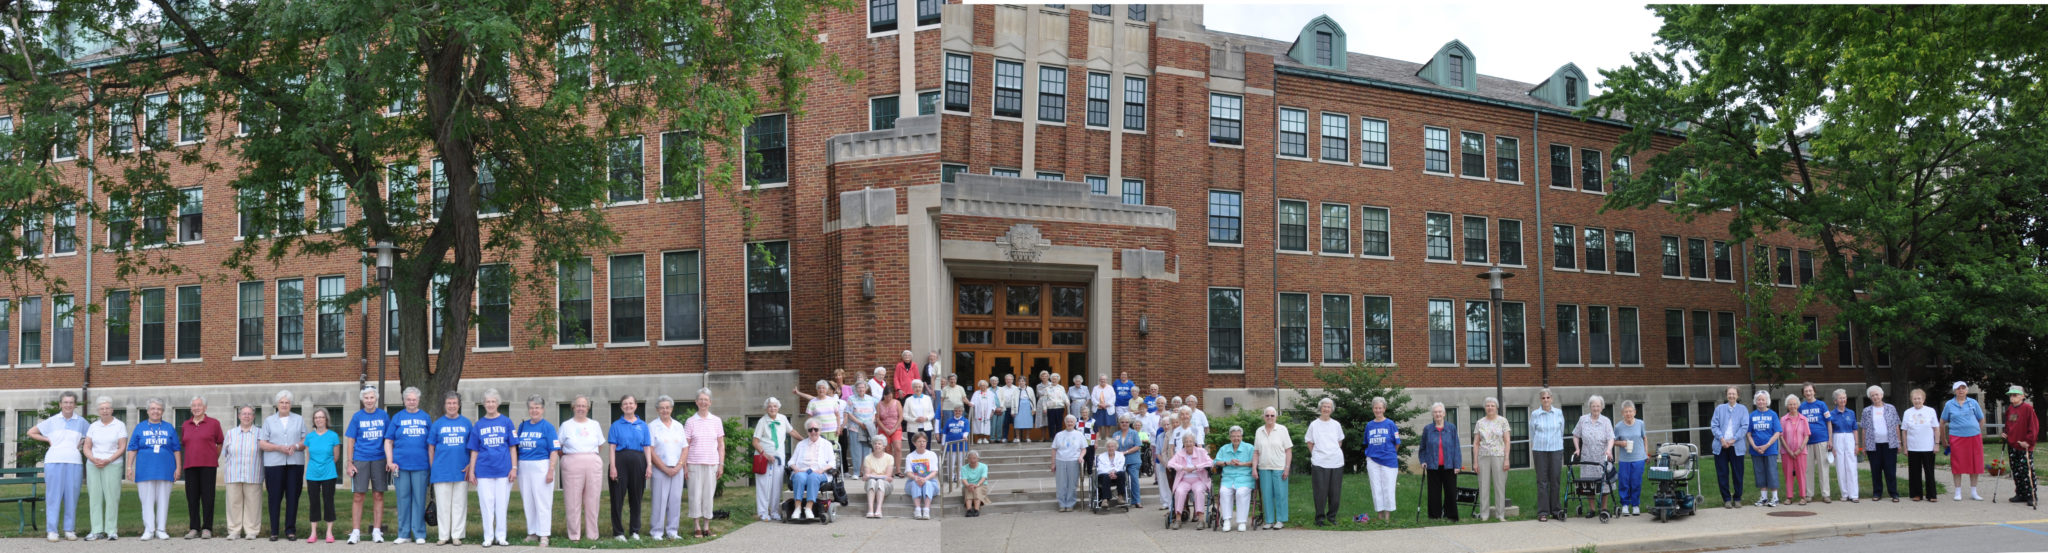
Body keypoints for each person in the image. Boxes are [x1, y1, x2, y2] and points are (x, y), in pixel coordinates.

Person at [26, 391, 87, 543]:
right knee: (53, 497)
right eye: (65, 402)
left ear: (75, 404)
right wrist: (47, 439)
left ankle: (69, 530)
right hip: (53, 461)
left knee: (71, 497)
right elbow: (31, 432)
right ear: (60, 404)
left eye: (71, 402)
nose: (68, 405)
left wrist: (82, 443)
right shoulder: (52, 421)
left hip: (74, 462)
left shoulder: (82, 422)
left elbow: (91, 436)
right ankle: (52, 531)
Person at [128, 398, 183, 541]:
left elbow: (177, 449)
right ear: (147, 411)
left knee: (163, 500)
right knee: (146, 500)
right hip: (145, 470)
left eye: (159, 409)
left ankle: (161, 529)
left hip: (165, 470)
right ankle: (149, 529)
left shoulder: (169, 427)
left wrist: (178, 467)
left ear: (163, 411)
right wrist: (129, 467)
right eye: (153, 408)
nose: (155, 411)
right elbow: (132, 449)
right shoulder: (140, 427)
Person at [386, 387, 434, 544]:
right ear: (404, 401)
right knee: (403, 499)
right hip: (401, 466)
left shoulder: (425, 418)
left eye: (414, 399)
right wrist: (390, 461)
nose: (411, 402)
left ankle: (419, 533)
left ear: (418, 400)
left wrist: (431, 464)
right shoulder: (397, 417)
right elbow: (388, 441)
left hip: (421, 465)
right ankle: (404, 534)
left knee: (420, 500)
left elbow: (431, 444)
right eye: (408, 399)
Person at [470, 389, 517, 547]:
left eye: (493, 401)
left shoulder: (506, 422)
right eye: (487, 402)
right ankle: (488, 536)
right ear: (484, 404)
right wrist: (471, 471)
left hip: (503, 470)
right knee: (486, 505)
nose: (490, 404)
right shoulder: (479, 425)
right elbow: (474, 450)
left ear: (498, 403)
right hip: (483, 470)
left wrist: (514, 468)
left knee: (502, 505)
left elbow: (512, 448)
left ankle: (501, 536)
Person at [342, 387, 389, 544]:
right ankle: (356, 532)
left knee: (378, 495)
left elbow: (389, 440)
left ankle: (377, 531)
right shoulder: (357, 417)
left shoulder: (383, 416)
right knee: (358, 495)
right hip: (360, 459)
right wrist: (349, 463)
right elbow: (350, 440)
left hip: (379, 459)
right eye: (366, 398)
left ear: (376, 398)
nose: (369, 400)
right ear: (363, 400)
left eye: (372, 397)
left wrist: (389, 459)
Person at [259, 390, 307, 541]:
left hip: (295, 463)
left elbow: (305, 440)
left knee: (293, 496)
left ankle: (290, 530)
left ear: (291, 405)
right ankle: (274, 531)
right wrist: (278, 448)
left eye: (287, 402)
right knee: (274, 497)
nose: (284, 405)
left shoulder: (299, 419)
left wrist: (296, 446)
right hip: (274, 464)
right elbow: (262, 443)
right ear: (277, 404)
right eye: (281, 402)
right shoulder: (268, 421)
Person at [558, 396, 606, 541]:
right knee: (573, 500)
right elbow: (559, 446)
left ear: (588, 408)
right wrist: (568, 459)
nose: (581, 408)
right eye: (578, 405)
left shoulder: (595, 424)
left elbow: (600, 445)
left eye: (583, 406)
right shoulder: (566, 425)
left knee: (593, 500)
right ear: (573, 408)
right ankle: (574, 535)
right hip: (572, 462)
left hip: (592, 462)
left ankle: (592, 535)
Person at [428, 391, 472, 546]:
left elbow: (472, 447)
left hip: (461, 470)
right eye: (449, 403)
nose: (452, 406)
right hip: (441, 470)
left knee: (459, 504)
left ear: (459, 405)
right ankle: (443, 535)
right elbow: (431, 447)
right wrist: (433, 466)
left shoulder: (466, 423)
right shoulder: (438, 424)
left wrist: (470, 465)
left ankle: (457, 535)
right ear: (445, 405)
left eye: (454, 403)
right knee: (443, 505)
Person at [82, 397, 128, 542]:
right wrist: (93, 458)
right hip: (93, 465)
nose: (105, 411)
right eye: (102, 408)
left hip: (112, 464)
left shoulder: (119, 425)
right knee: (95, 497)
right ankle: (96, 530)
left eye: (107, 408)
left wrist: (108, 459)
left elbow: (122, 447)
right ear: (98, 411)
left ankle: (111, 531)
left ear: (112, 410)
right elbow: (86, 446)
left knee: (112, 497)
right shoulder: (93, 426)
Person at [516, 395, 560, 546]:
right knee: (528, 501)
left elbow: (554, 451)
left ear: (543, 409)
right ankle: (532, 532)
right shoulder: (523, 426)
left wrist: (551, 470)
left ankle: (544, 534)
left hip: (541, 465)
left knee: (543, 502)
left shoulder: (548, 427)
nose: (534, 410)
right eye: (531, 408)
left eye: (537, 407)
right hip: (524, 466)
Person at [607, 395, 652, 540]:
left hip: (638, 462)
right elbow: (612, 448)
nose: (628, 406)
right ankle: (618, 532)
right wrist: (613, 466)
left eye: (631, 403)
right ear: (621, 407)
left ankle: (635, 531)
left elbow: (647, 447)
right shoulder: (616, 425)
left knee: (636, 498)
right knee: (617, 498)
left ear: (636, 405)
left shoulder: (643, 425)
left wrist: (649, 465)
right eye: (625, 404)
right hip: (619, 461)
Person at [179, 396, 223, 540]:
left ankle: (207, 528)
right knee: (192, 498)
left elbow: (220, 443)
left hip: (208, 466)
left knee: (208, 498)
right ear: (191, 408)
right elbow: (185, 444)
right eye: (194, 406)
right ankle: (194, 528)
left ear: (205, 408)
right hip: (190, 466)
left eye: (199, 405)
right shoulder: (186, 424)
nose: (196, 408)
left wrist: (213, 457)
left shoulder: (214, 423)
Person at [646, 395, 689, 541]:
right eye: (662, 408)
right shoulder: (652, 426)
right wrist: (664, 468)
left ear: (672, 409)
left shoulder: (678, 425)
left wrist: (679, 466)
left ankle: (672, 531)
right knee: (659, 501)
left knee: (675, 501)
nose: (665, 410)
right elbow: (650, 449)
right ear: (657, 410)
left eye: (667, 407)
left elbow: (685, 448)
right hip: (660, 469)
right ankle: (656, 532)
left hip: (677, 469)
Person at [684, 389, 725, 538]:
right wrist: (684, 466)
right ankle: (697, 527)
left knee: (708, 495)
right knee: (695, 495)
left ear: (710, 402)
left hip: (712, 463)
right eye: (700, 399)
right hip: (693, 463)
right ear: (696, 402)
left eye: (705, 399)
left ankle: (706, 527)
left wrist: (721, 464)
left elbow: (721, 445)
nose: (703, 402)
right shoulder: (690, 421)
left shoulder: (716, 421)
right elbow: (685, 446)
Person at [222, 406, 265, 540]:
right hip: (233, 473)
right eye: (244, 414)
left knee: (253, 504)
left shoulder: (260, 433)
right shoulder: (231, 433)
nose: (246, 416)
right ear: (239, 416)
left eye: (249, 414)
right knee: (233, 503)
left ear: (253, 417)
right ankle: (234, 530)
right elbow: (225, 453)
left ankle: (251, 531)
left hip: (253, 473)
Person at [1941, 381, 1987, 501]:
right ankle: (1958, 491)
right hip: (1957, 437)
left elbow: (1981, 419)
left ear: (1966, 390)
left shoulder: (1973, 402)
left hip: (1974, 437)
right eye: (1958, 388)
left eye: (1963, 388)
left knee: (1975, 463)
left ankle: (1973, 491)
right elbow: (1942, 422)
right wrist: (1944, 440)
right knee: (1957, 464)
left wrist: (1976, 429)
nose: (1961, 390)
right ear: (1954, 391)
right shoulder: (1949, 404)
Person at [1572, 396, 1614, 519]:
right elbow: (1575, 435)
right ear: (1590, 407)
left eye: (1598, 406)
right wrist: (1577, 448)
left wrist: (1609, 449)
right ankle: (1591, 509)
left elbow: (1611, 438)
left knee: (1604, 483)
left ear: (1601, 407)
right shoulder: (1583, 419)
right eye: (1593, 406)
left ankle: (1604, 508)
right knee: (1588, 484)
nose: (1595, 408)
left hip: (1602, 456)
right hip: (1587, 456)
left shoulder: (1606, 421)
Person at [1305, 398, 1344, 526]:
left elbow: (1339, 441)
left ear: (1331, 409)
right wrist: (1316, 454)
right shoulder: (1314, 425)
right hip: (1319, 462)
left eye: (1329, 407)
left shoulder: (1336, 424)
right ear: (1320, 408)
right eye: (1324, 406)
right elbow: (1309, 442)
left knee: (1335, 492)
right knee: (1320, 492)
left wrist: (1332, 451)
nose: (1326, 409)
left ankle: (1332, 517)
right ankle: (1320, 518)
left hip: (1336, 462)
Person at [304, 409, 341, 543]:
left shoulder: (333, 436)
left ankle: (329, 533)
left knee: (328, 501)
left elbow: (336, 457)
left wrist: (325, 465)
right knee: (314, 502)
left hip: (329, 473)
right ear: (314, 420)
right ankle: (313, 532)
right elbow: (309, 456)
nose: (319, 420)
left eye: (321, 417)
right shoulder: (309, 437)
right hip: (312, 474)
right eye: (316, 417)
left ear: (326, 419)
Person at [1709, 386, 1749, 509]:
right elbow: (1714, 425)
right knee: (1722, 473)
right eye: (1729, 393)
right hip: (1720, 446)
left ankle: (1737, 498)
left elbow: (1744, 426)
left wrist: (1733, 440)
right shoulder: (1719, 409)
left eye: (1734, 394)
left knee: (1738, 473)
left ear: (1738, 395)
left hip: (1736, 446)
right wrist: (1721, 439)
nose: (1731, 396)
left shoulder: (1743, 409)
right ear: (1726, 395)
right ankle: (1726, 499)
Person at [1421, 402, 1463, 522]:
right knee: (1434, 493)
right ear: (1432, 414)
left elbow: (1456, 448)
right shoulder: (1428, 429)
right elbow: (1422, 448)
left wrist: (1457, 465)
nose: (1438, 414)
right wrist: (1423, 460)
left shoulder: (1451, 428)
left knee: (1450, 491)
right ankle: (1434, 516)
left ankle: (1451, 516)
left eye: (1440, 412)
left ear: (1444, 413)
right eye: (1435, 412)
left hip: (1449, 466)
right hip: (1433, 466)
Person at [752, 397, 792, 522]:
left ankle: (774, 511)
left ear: (778, 407)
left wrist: (804, 440)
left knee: (777, 486)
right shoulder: (762, 421)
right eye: (770, 406)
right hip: (764, 458)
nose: (772, 408)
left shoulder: (783, 418)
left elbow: (792, 431)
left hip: (779, 458)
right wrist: (765, 454)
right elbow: (755, 441)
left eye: (774, 406)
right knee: (764, 486)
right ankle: (763, 512)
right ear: (766, 408)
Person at [1861, 385, 1903, 502]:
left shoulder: (1891, 408)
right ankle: (1877, 493)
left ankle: (1894, 493)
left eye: (1877, 394)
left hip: (1890, 444)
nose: (1875, 397)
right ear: (1870, 397)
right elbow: (1864, 429)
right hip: (1873, 445)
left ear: (1882, 395)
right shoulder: (1867, 411)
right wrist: (1864, 446)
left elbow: (1896, 426)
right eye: (1872, 395)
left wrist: (1899, 442)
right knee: (1876, 470)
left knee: (1890, 470)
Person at [1253, 407, 1292, 529]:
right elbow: (1256, 452)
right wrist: (1254, 468)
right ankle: (1269, 520)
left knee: (1280, 494)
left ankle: (1280, 520)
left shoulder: (1282, 430)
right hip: (1264, 467)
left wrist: (1287, 468)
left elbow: (1288, 450)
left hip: (1279, 467)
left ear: (1276, 417)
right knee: (1266, 494)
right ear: (1264, 417)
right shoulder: (1259, 431)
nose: (1269, 417)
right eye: (1267, 415)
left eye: (1272, 415)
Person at [1363, 397, 1401, 523]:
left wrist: (1390, 454)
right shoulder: (1369, 425)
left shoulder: (1390, 424)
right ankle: (1379, 515)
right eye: (1375, 408)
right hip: (1373, 460)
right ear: (1373, 409)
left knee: (1388, 487)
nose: (1378, 410)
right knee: (1376, 487)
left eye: (1380, 408)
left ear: (1384, 409)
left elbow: (1397, 443)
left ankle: (1387, 517)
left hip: (1389, 461)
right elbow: (1367, 442)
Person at [1531, 388, 1567, 520]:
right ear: (1540, 400)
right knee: (1542, 481)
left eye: (1548, 397)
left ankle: (1556, 510)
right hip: (1539, 450)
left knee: (1555, 480)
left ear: (1552, 399)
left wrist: (1556, 443)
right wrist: (1536, 445)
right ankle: (1543, 512)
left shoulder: (1558, 413)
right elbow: (1532, 432)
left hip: (1556, 449)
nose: (1545, 400)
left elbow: (1561, 431)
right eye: (1543, 398)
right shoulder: (1535, 414)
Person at [789, 420, 836, 521]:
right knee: (798, 477)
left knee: (813, 477)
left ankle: (808, 508)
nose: (813, 432)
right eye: (810, 430)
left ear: (820, 430)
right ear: (807, 431)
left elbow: (832, 462)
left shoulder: (826, 444)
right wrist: (795, 468)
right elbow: (791, 461)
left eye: (816, 429)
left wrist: (821, 470)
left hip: (819, 472)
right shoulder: (801, 444)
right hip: (802, 471)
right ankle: (797, 508)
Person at [1901, 389, 1940, 502]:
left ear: (1923, 399)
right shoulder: (1907, 412)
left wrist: (1936, 444)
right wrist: (1905, 447)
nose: (1917, 400)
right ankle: (1916, 494)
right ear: (1911, 400)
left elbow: (1936, 429)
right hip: (1913, 447)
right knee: (1914, 473)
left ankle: (1931, 495)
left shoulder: (1930, 411)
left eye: (1919, 398)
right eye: (1915, 398)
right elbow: (1904, 431)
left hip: (1928, 447)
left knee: (1929, 471)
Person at [1796, 383, 1833, 503]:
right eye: (1806, 391)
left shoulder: (1822, 405)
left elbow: (1828, 422)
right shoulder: (1801, 407)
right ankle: (1809, 494)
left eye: (1810, 390)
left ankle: (1826, 494)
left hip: (1822, 440)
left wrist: (1830, 439)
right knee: (1808, 469)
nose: (1808, 393)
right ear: (1803, 393)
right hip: (1807, 442)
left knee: (1823, 468)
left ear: (1814, 392)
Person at [1167, 436, 1214, 529]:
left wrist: (1196, 467)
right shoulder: (1180, 453)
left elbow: (1211, 462)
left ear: (1194, 443)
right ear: (1183, 443)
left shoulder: (1201, 452)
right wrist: (1182, 468)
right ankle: (1178, 519)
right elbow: (1170, 464)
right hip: (1184, 479)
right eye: (1186, 442)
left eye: (1190, 441)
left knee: (1199, 490)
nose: (1188, 444)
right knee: (1179, 491)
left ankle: (1201, 520)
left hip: (1199, 479)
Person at [1823, 389, 1861, 503]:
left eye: (1844, 398)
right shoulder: (1831, 414)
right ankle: (1844, 493)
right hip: (1837, 438)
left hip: (1849, 438)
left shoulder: (1851, 413)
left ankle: (1854, 494)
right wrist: (1832, 446)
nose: (1843, 400)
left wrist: (1857, 444)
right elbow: (1830, 430)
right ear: (1835, 401)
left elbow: (1855, 429)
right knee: (1840, 466)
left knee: (1851, 466)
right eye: (1840, 398)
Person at [1216, 426, 1255, 532]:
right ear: (1230, 437)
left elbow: (1254, 462)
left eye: (1238, 436)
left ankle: (1242, 522)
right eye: (1233, 436)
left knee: (1241, 493)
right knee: (1224, 492)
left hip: (1244, 478)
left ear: (1241, 437)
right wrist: (1227, 462)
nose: (1236, 438)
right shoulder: (1224, 448)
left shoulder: (1249, 448)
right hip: (1228, 478)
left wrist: (1241, 464)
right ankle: (1227, 520)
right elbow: (1216, 461)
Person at [1747, 390, 1783, 508]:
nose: (1761, 401)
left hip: (1770, 449)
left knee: (1771, 472)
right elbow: (1749, 434)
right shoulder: (1752, 415)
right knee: (1760, 472)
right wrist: (1754, 446)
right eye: (1758, 399)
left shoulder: (1773, 414)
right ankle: (1763, 498)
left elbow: (1777, 432)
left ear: (1767, 401)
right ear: (1755, 401)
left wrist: (1766, 445)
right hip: (1756, 450)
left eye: (1763, 399)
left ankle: (1775, 498)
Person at [2003, 386, 2037, 505]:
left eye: (2015, 395)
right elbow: (2008, 424)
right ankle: (2020, 493)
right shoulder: (2010, 409)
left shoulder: (2028, 408)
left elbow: (2033, 427)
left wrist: (2028, 441)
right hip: (2012, 444)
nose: (2012, 397)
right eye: (2011, 395)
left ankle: (2030, 495)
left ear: (2022, 396)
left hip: (2024, 445)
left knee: (2026, 471)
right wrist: (2005, 433)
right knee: (2016, 470)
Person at [1613, 400, 1646, 517]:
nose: (1628, 414)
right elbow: (1612, 441)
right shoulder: (1618, 426)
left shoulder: (1640, 423)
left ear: (1635, 412)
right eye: (1626, 411)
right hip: (1624, 459)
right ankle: (1625, 505)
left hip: (1639, 458)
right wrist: (1621, 443)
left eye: (1630, 411)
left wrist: (1645, 454)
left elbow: (1644, 438)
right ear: (1622, 413)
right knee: (1624, 482)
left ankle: (1636, 505)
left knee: (1636, 482)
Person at [1779, 396, 1811, 506]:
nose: (1792, 406)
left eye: (1794, 404)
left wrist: (1800, 449)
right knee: (1788, 474)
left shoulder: (1803, 419)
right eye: (1790, 404)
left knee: (1801, 474)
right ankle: (1789, 497)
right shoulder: (1783, 419)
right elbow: (1781, 436)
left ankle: (1803, 497)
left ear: (1798, 405)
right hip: (1786, 452)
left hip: (1801, 452)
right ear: (1787, 406)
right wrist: (1788, 450)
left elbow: (1807, 435)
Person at [1051, 415, 1087, 512]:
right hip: (1060, 460)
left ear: (1075, 423)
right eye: (1068, 421)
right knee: (1061, 483)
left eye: (1071, 421)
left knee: (1072, 483)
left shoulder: (1079, 434)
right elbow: (1054, 449)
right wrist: (1053, 463)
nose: (1069, 423)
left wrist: (1081, 457)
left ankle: (1070, 503)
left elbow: (1083, 449)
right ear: (1065, 422)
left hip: (1073, 460)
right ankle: (1062, 504)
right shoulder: (1059, 435)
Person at [905, 434, 939, 520]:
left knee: (927, 483)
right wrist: (916, 478)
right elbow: (909, 473)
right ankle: (917, 509)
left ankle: (927, 510)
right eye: (919, 441)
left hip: (930, 482)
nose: (922, 443)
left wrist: (925, 479)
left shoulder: (932, 454)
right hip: (913, 482)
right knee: (916, 483)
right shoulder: (910, 456)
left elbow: (934, 472)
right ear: (914, 443)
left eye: (924, 441)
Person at [861, 436, 894, 518]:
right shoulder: (868, 458)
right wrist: (878, 476)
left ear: (884, 446)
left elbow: (888, 476)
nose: (877, 445)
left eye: (879, 444)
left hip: (886, 485)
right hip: (871, 484)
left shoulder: (889, 458)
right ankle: (870, 510)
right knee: (872, 481)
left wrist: (873, 475)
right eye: (875, 443)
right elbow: (866, 476)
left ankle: (879, 509)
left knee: (879, 482)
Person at [1114, 416, 1144, 508]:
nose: (1124, 424)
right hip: (1120, 461)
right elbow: (1113, 446)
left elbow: (1138, 446)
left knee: (1134, 479)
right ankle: (1122, 498)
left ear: (1129, 423)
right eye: (1122, 422)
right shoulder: (1115, 434)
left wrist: (1126, 452)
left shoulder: (1134, 433)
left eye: (1126, 422)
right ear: (1119, 423)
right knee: (1120, 478)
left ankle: (1136, 501)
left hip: (1133, 460)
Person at [1092, 436, 1127, 510]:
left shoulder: (1120, 455)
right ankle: (1105, 500)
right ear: (1106, 447)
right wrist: (1110, 472)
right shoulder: (1101, 456)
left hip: (1117, 475)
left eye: (1112, 446)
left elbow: (1121, 466)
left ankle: (1120, 497)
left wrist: (1114, 472)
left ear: (1116, 447)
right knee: (1106, 476)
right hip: (1104, 476)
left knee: (1121, 473)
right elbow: (1100, 468)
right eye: (1109, 446)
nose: (1111, 448)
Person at [878, 392, 906, 474]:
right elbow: (878, 419)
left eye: (890, 396)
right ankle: (889, 470)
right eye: (887, 396)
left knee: (898, 447)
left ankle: (898, 470)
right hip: (884, 429)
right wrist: (885, 429)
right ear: (884, 395)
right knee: (887, 449)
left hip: (896, 428)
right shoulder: (879, 404)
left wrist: (894, 428)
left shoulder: (897, 403)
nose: (889, 398)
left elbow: (901, 417)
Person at [906, 380, 937, 452]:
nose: (918, 389)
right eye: (916, 387)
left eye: (920, 387)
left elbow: (932, 414)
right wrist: (915, 419)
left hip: (926, 427)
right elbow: (905, 415)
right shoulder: (908, 400)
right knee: (913, 449)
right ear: (913, 388)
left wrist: (926, 418)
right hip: (913, 428)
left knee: (926, 449)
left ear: (922, 388)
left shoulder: (927, 399)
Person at [959, 450, 989, 517]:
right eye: (970, 458)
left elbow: (984, 477)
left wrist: (977, 485)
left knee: (977, 489)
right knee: (968, 489)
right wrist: (968, 485)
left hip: (981, 485)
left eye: (974, 458)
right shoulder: (964, 468)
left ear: (978, 459)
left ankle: (976, 510)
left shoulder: (984, 466)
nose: (972, 460)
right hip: (969, 485)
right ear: (968, 459)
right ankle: (969, 510)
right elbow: (964, 479)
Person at [1041, 373, 1068, 444]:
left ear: (1058, 380)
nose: (1054, 380)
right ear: (1051, 379)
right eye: (1053, 379)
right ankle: (1052, 437)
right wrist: (1044, 407)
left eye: (1055, 379)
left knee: (1059, 423)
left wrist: (1067, 402)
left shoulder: (1061, 388)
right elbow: (1044, 399)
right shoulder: (1047, 389)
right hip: (1051, 408)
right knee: (1051, 423)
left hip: (1059, 407)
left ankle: (1059, 437)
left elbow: (1064, 396)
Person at [941, 406, 969, 471]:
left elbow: (966, 431)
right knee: (950, 462)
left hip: (961, 445)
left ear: (962, 412)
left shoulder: (965, 421)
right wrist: (943, 444)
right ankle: (950, 477)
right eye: (956, 411)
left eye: (959, 411)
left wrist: (965, 436)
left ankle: (959, 477)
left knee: (960, 463)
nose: (957, 412)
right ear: (954, 412)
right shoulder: (949, 420)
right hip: (950, 445)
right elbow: (944, 433)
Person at [994, 374, 1019, 443]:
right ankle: (1005, 437)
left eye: (1010, 379)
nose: (1009, 381)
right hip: (1005, 408)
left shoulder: (1016, 388)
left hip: (1013, 408)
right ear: (1005, 380)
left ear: (1012, 380)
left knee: (1015, 423)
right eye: (1007, 379)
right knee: (1005, 423)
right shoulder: (1002, 389)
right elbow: (1000, 399)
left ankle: (1015, 437)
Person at [969, 379, 995, 444]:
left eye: (984, 385)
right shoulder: (976, 393)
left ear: (986, 386)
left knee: (986, 425)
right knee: (978, 425)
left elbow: (993, 404)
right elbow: (972, 401)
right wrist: (971, 404)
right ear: (979, 386)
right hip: (979, 412)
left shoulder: (991, 393)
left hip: (987, 413)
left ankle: (985, 438)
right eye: (981, 385)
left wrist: (992, 412)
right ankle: (979, 438)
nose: (982, 387)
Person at [1014, 378, 1039, 443]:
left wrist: (1034, 409)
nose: (1021, 382)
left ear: (1025, 382)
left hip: (1028, 407)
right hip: (1018, 407)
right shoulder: (1015, 389)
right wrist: (1013, 411)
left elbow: (1033, 399)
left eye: (1023, 381)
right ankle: (1018, 438)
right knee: (1017, 422)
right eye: (1019, 381)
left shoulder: (1030, 389)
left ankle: (1027, 437)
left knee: (1028, 422)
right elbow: (1013, 400)